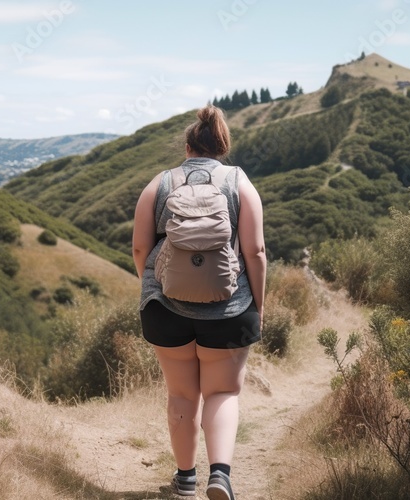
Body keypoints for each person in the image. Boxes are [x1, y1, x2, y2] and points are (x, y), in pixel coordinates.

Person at [132, 105, 266, 500]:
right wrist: (257, 302)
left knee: (181, 394)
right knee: (222, 393)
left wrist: (154, 287)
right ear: (221, 147)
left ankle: (185, 478)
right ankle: (219, 475)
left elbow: (140, 246)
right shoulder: (240, 184)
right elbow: (255, 251)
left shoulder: (159, 184)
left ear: (188, 147)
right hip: (230, 308)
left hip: (166, 308)